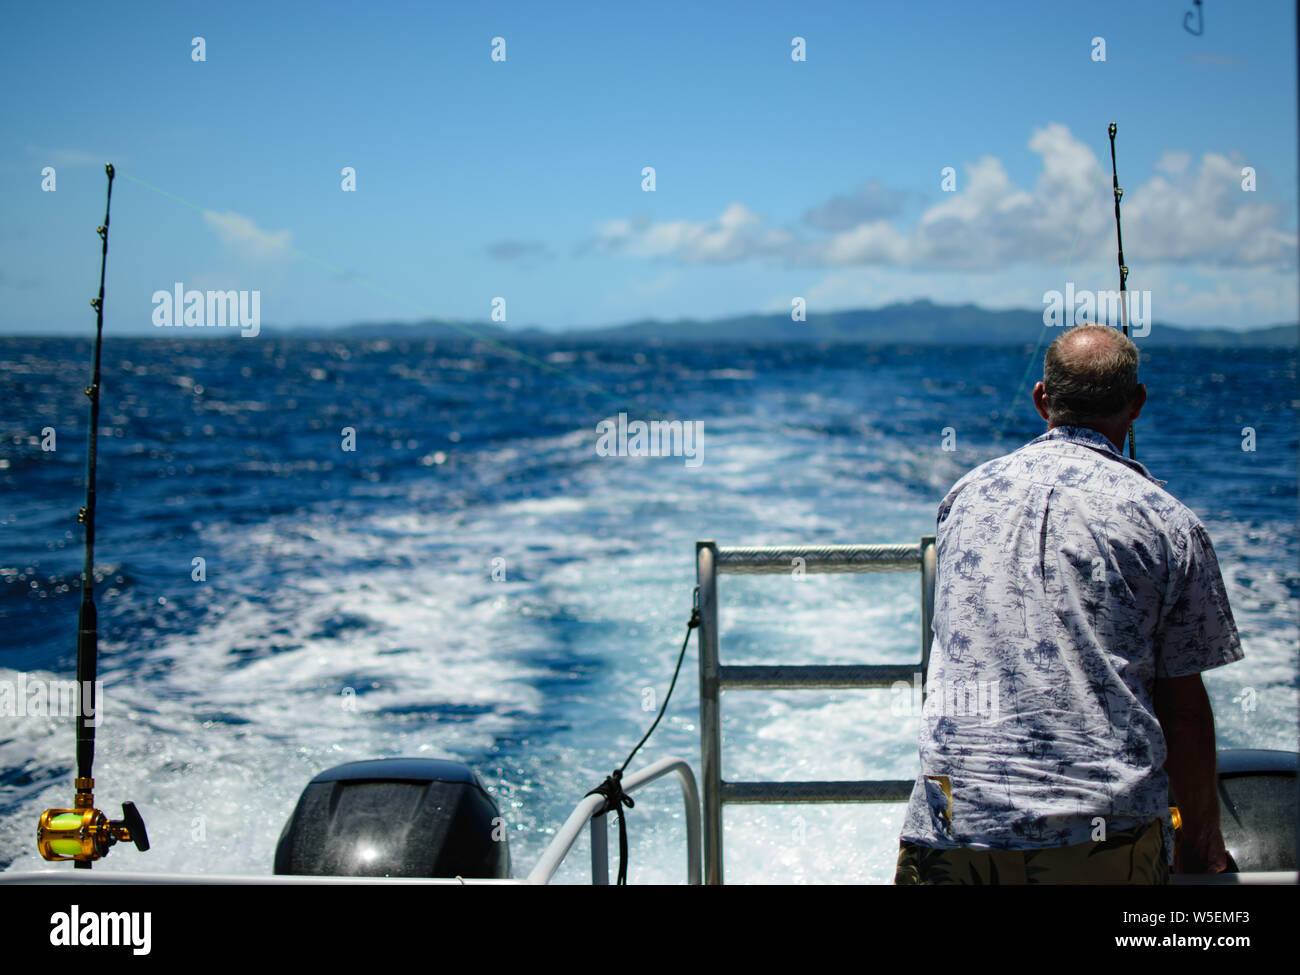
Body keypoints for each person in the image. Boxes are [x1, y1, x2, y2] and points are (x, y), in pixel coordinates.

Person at [894, 323, 1242, 884]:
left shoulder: (962, 497)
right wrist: (1202, 840)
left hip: (953, 821)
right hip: (1100, 836)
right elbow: (1182, 707)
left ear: (1042, 400)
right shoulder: (1170, 523)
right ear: (1137, 405)